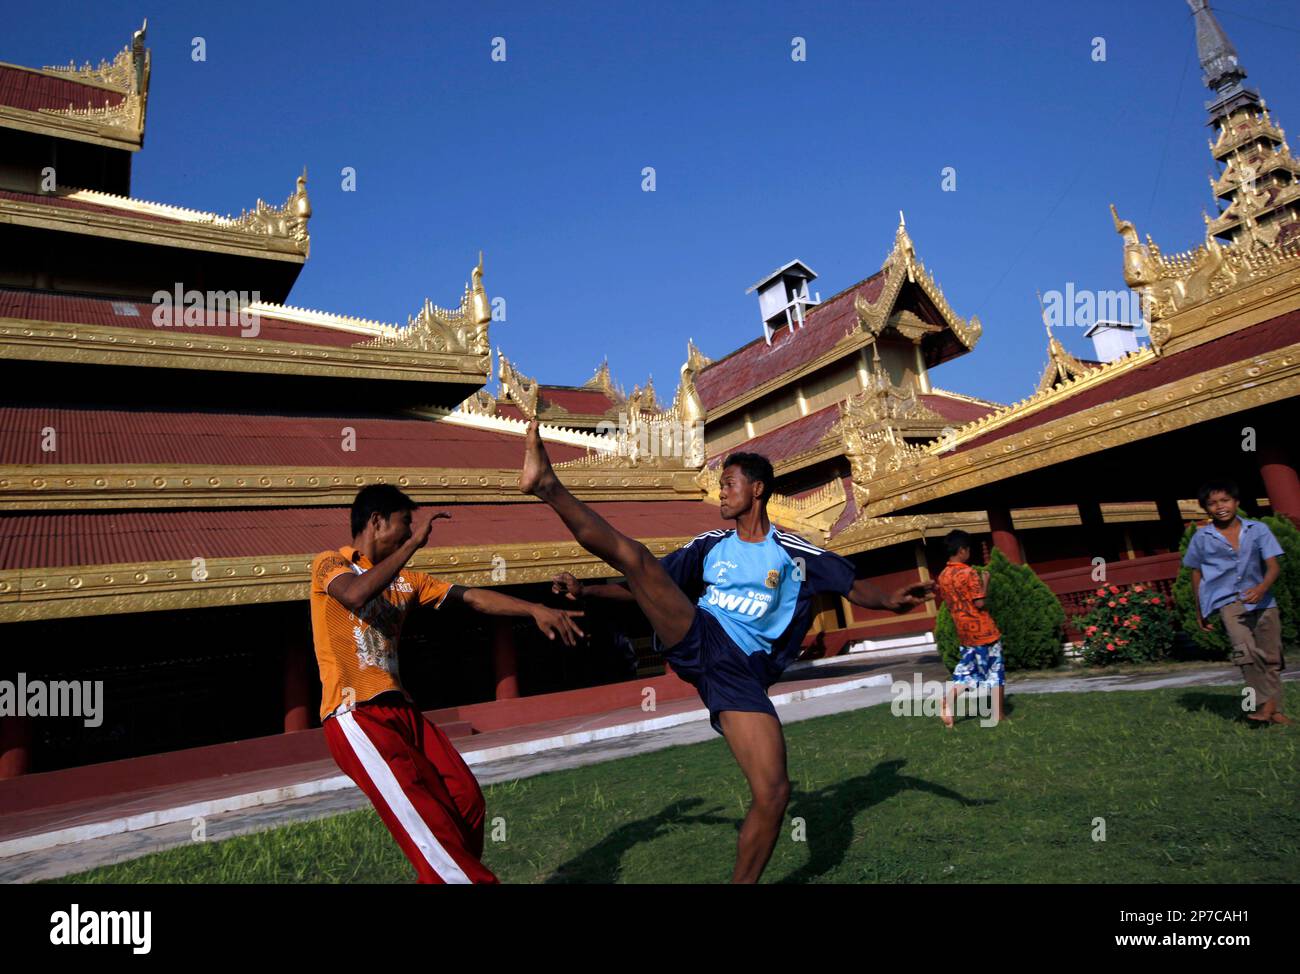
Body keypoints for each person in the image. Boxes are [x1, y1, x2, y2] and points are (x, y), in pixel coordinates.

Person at [522, 421, 932, 882]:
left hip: (740, 675)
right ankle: (547, 486)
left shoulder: (792, 552)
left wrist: (890, 601)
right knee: (636, 558)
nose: (720, 493)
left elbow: (851, 585)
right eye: (719, 486)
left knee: (774, 792)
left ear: (757, 490)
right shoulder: (709, 546)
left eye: (728, 485)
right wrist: (589, 593)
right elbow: (649, 582)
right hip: (702, 635)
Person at [310, 484, 585, 884]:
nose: (409, 534)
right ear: (376, 521)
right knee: (429, 825)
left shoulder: (409, 581)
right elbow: (355, 595)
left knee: (464, 798)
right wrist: (413, 547)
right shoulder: (329, 563)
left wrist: (533, 608)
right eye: (405, 526)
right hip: (356, 716)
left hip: (403, 710)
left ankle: (449, 875)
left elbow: (471, 597)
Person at [1182, 479, 1291, 725]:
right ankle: (1265, 705)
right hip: (1228, 602)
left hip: (1264, 601)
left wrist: (1262, 588)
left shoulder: (1258, 530)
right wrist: (1201, 610)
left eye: (1225, 500)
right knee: (1246, 653)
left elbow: (1273, 566)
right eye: (1212, 503)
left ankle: (1274, 710)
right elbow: (1196, 573)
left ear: (1236, 502)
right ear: (1206, 509)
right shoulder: (1201, 538)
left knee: (1271, 656)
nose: (1219, 506)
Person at [934, 529, 1005, 728]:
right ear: (963, 550)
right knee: (995, 672)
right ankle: (999, 715)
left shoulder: (943, 576)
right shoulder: (968, 572)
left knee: (967, 673)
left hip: (964, 631)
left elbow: (948, 604)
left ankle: (948, 700)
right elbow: (980, 602)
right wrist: (985, 582)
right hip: (983, 630)